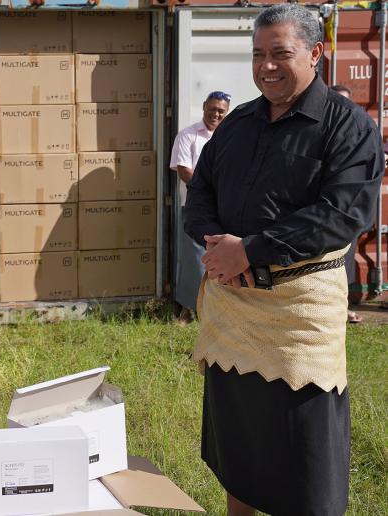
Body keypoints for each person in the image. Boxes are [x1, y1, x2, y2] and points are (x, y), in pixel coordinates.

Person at [185, 5, 382, 515]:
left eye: (280, 54)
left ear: (316, 53)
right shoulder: (237, 124)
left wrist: (250, 250)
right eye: (257, 54)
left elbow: (343, 214)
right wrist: (218, 247)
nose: (266, 66)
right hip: (235, 307)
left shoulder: (349, 127)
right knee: (240, 441)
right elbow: (200, 193)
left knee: (307, 450)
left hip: (299, 316)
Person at [169, 91, 231, 323]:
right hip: (197, 209)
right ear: (204, 106)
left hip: (226, 210)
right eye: (212, 108)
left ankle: (218, 311)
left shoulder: (231, 137)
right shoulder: (188, 136)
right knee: (195, 261)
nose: (215, 114)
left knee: (225, 259)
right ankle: (189, 309)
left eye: (221, 111)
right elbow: (184, 170)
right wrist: (211, 193)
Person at [331, 84, 366, 324]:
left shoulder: (359, 130)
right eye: (337, 100)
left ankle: (342, 309)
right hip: (322, 211)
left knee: (345, 260)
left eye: (346, 102)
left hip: (348, 210)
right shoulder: (317, 129)